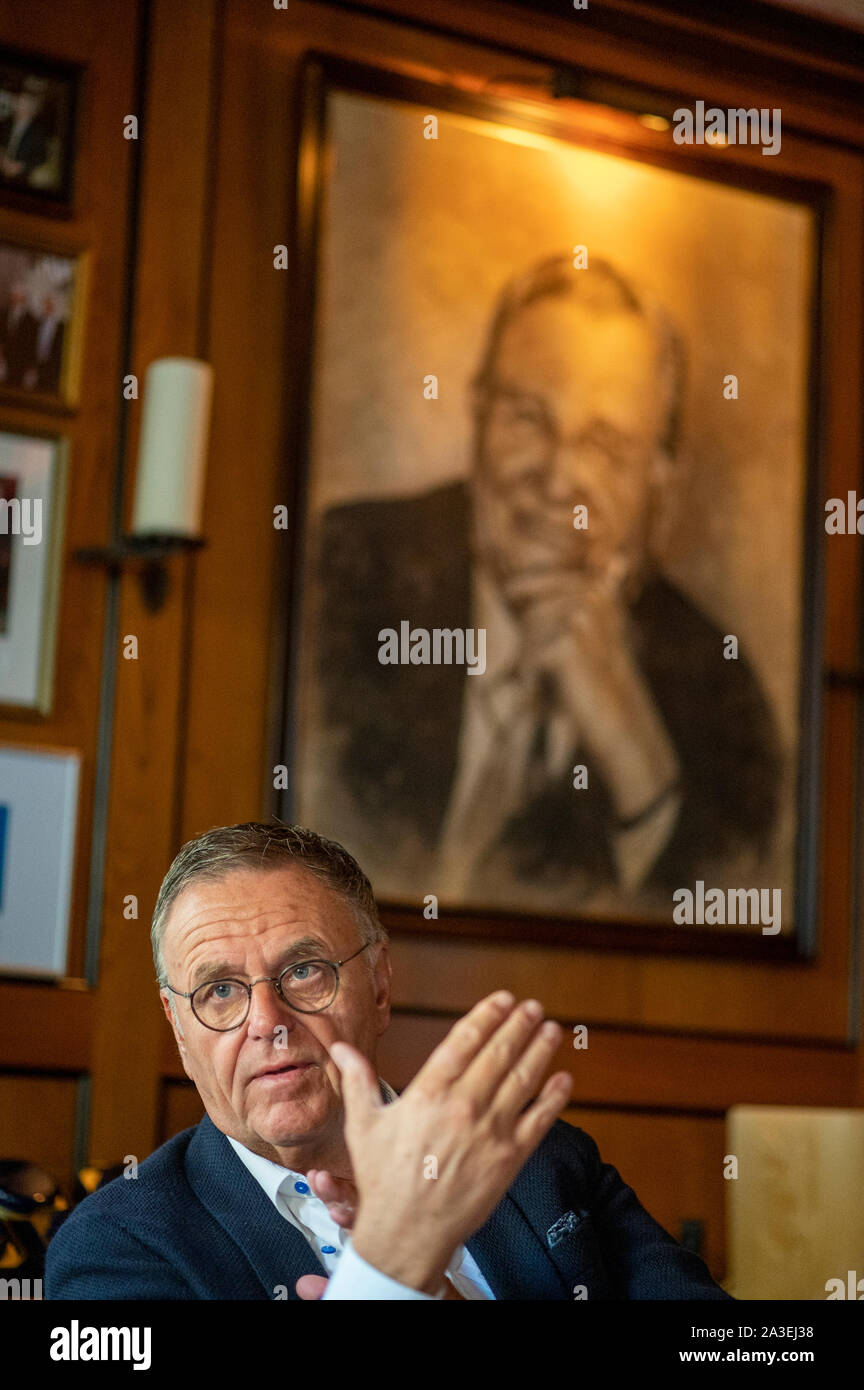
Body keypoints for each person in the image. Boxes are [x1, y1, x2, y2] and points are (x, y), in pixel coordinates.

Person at [45, 821, 732, 1300]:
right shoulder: (117, 1247)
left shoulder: (536, 1159)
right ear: (178, 1030)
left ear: (378, 986)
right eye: (219, 991)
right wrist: (391, 1273)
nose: (267, 1023)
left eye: (306, 971)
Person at [314, 256, 782, 915]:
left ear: (658, 478)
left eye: (605, 445)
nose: (560, 479)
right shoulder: (341, 571)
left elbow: (724, 915)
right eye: (529, 418)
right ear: (477, 414)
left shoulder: (721, 690)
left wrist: (636, 762)